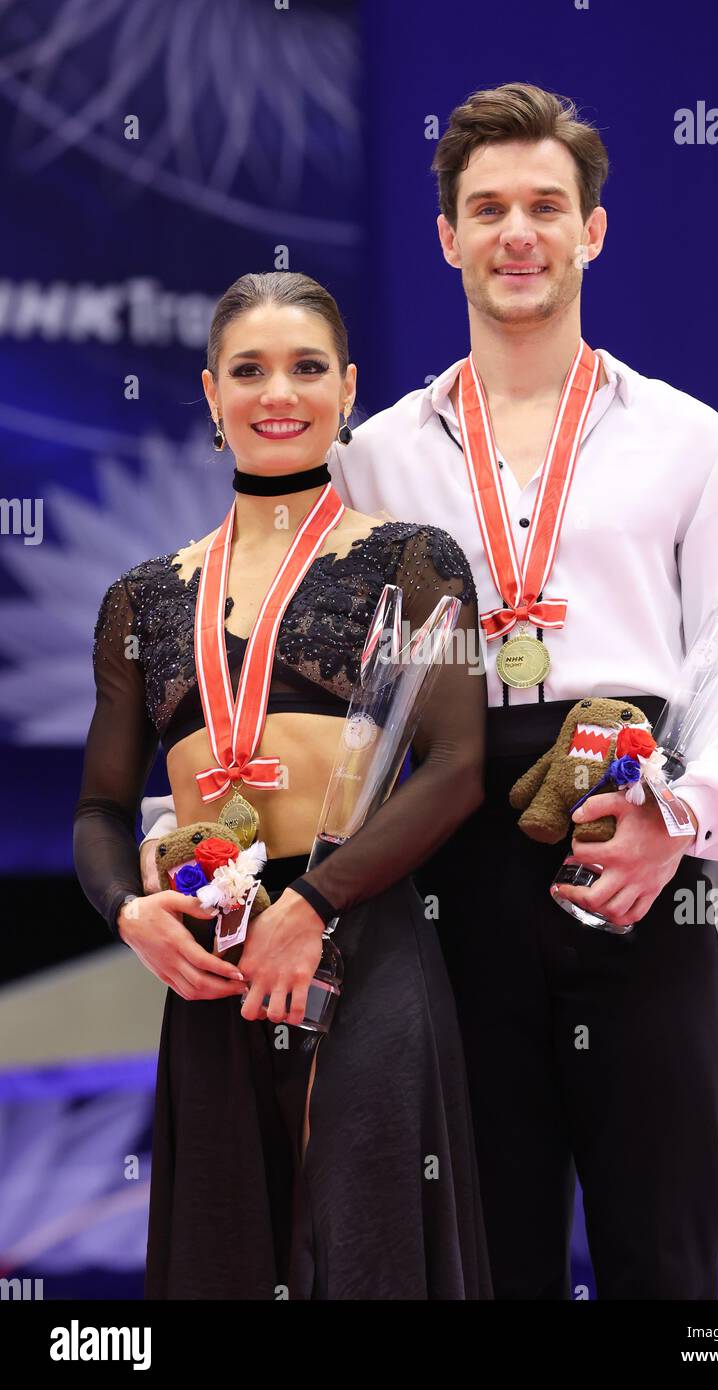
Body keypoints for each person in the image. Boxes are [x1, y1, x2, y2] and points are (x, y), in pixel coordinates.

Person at [139, 83, 718, 1300]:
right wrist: (201, 842)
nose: (517, 233)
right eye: (485, 207)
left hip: (628, 847)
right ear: (445, 236)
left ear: (591, 230)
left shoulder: (693, 443)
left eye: (545, 205)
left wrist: (681, 824)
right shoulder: (372, 452)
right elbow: (283, 660)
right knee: (481, 1254)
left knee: (666, 1255)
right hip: (441, 869)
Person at [73, 271, 493, 1300]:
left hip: (362, 938)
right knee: (221, 1253)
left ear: (345, 389)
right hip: (211, 960)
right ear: (212, 394)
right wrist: (132, 913)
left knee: (369, 1250)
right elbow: (98, 809)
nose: (278, 393)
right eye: (249, 370)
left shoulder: (414, 561)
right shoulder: (141, 597)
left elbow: (455, 770)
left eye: (306, 368)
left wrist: (311, 904)